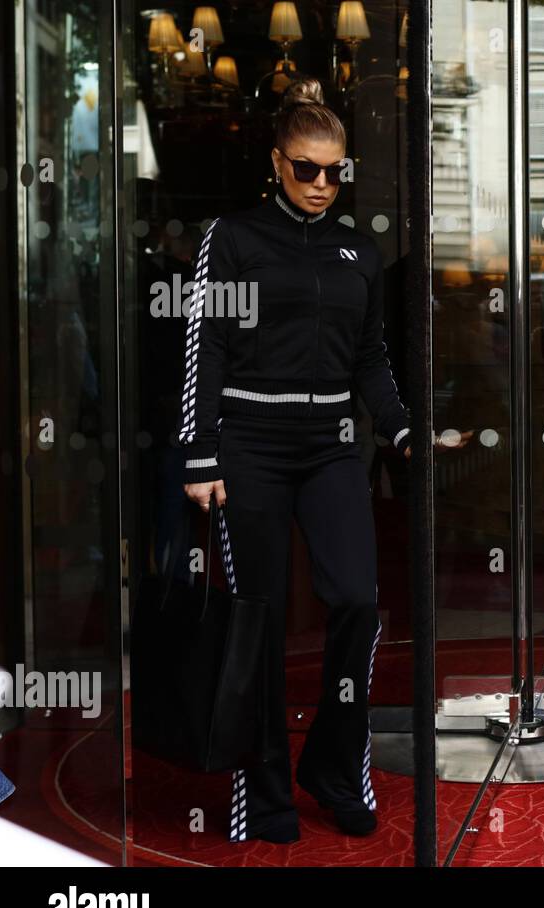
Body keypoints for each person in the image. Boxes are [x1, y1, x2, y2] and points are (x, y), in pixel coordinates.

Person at [179, 78, 410, 844]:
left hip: (332, 448)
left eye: (334, 171)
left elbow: (372, 356)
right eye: (306, 169)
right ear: (276, 163)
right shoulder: (233, 237)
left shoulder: (360, 250)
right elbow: (202, 346)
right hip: (247, 448)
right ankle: (266, 793)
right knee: (262, 622)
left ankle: (335, 769)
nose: (321, 185)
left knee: (357, 603)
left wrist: (402, 428)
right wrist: (199, 450)